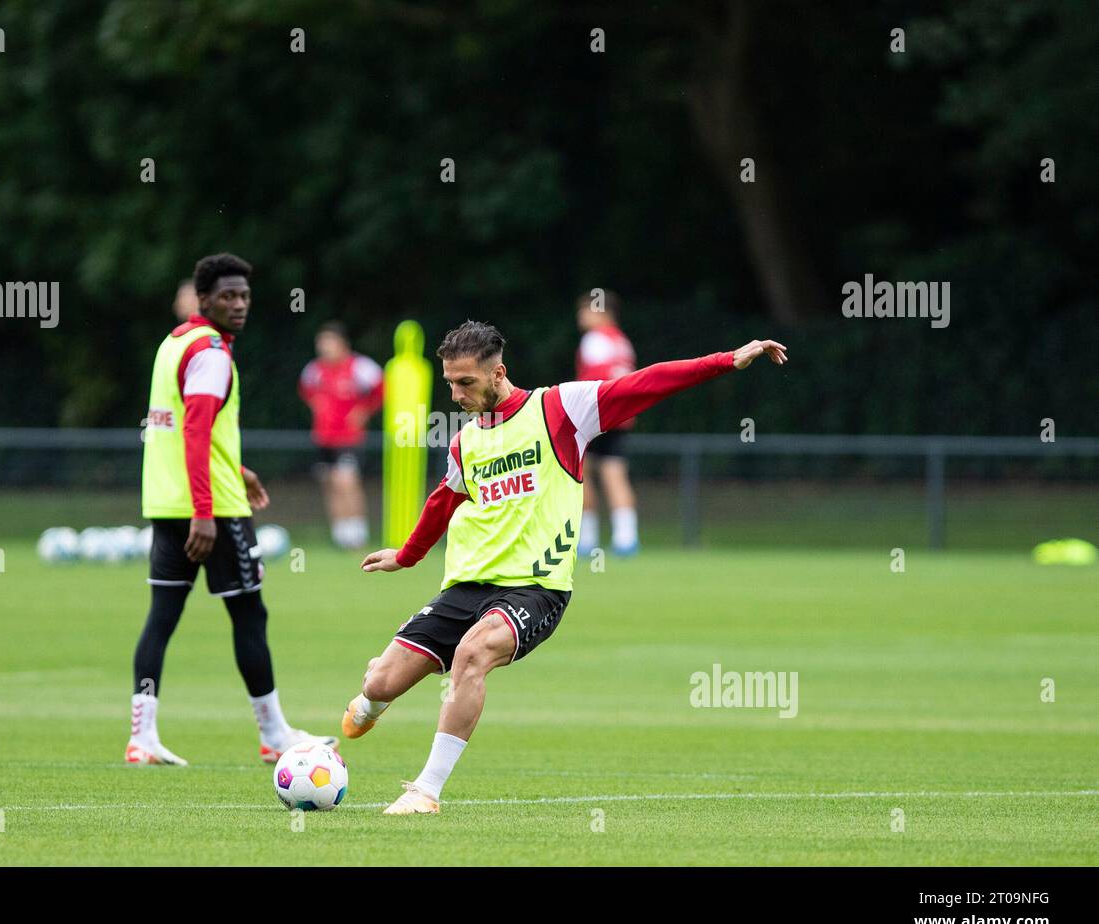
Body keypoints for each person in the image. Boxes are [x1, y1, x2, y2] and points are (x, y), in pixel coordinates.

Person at [342, 320, 787, 813]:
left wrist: (728, 358)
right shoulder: (465, 441)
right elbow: (444, 501)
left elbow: (646, 383)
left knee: (472, 655)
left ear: (498, 373)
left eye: (465, 382)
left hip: (536, 590)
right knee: (380, 684)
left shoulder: (560, 410)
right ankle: (372, 695)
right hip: (465, 588)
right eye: (449, 382)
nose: (455, 394)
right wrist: (405, 556)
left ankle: (426, 791)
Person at [129, 252, 336, 766]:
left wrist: (235, 468)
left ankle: (142, 735)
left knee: (162, 616)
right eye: (227, 296)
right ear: (203, 300)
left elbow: (181, 427)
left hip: (166, 501)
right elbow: (196, 430)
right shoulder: (212, 354)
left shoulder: (176, 342)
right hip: (212, 511)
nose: (239, 305)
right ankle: (274, 734)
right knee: (249, 612)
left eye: (244, 296)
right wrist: (207, 508)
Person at [298, 323, 384, 549]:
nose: (323, 347)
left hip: (349, 438)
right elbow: (306, 390)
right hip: (323, 437)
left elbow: (382, 389)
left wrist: (364, 411)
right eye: (321, 342)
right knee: (329, 482)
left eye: (328, 342)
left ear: (342, 343)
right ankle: (341, 535)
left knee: (346, 482)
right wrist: (316, 406)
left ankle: (357, 535)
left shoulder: (360, 367)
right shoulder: (315, 369)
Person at [574, 291, 639, 556]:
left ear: (601, 312)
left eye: (585, 310)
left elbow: (594, 379)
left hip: (595, 413)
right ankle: (626, 538)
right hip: (621, 414)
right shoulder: (622, 341)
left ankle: (586, 539)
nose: (581, 316)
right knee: (615, 473)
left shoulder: (594, 339)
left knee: (582, 473)